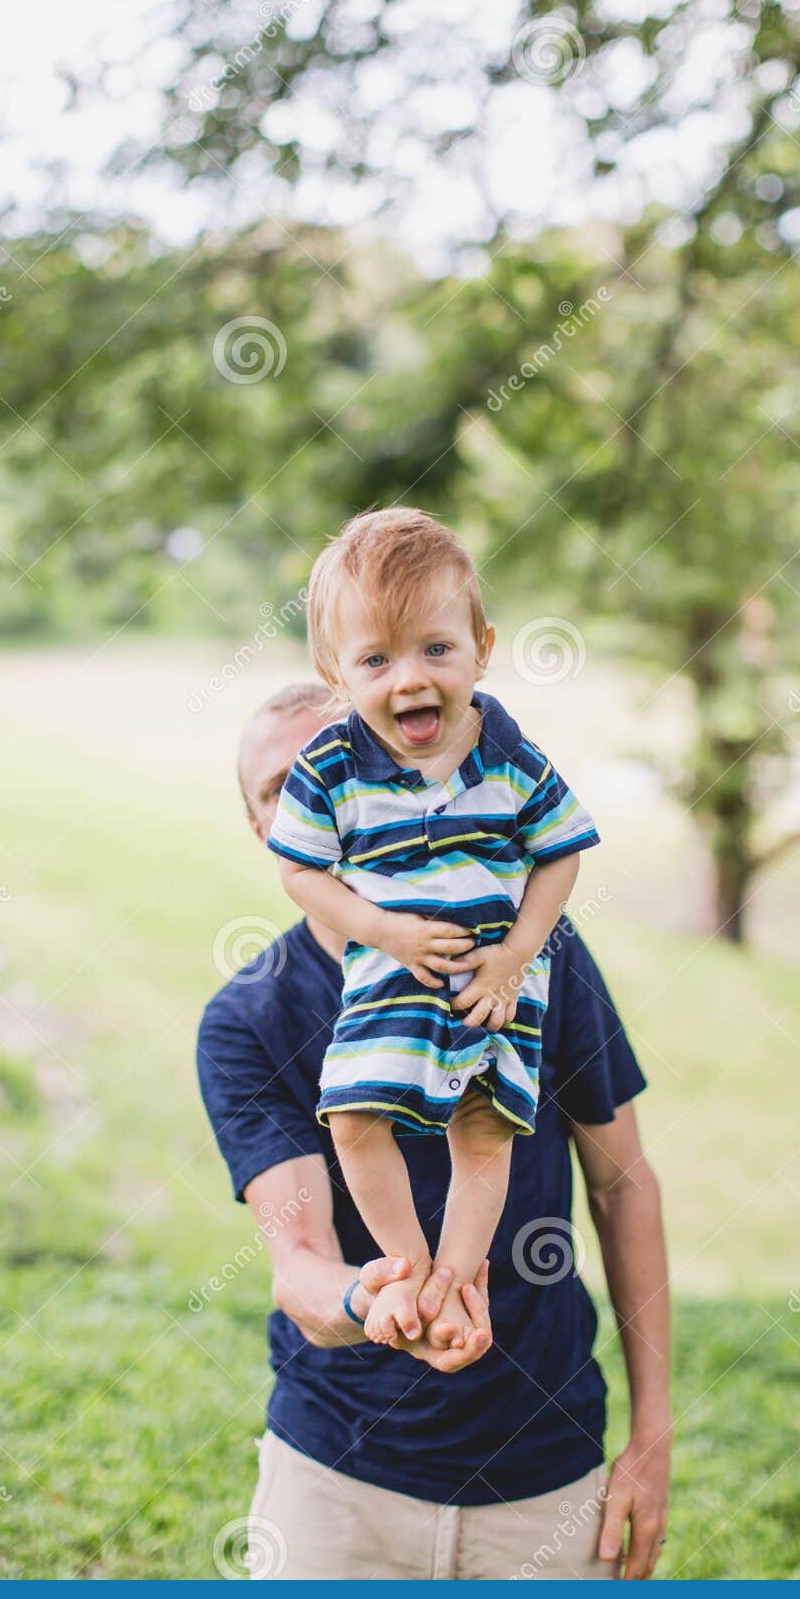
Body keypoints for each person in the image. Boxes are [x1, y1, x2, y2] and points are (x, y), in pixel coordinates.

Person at [195, 682, 673, 1581]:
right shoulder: (248, 1019)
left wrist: (652, 1435)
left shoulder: (533, 955)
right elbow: (295, 1257)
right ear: (268, 831)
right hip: (336, 1479)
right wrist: (375, 1303)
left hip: (544, 1468)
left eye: (333, 760)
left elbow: (622, 1183)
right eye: (278, 788)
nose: (316, 792)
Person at [266, 508, 600, 1354]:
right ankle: (410, 1266)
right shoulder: (330, 768)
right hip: (392, 981)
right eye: (376, 659)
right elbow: (299, 872)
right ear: (333, 672)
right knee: (350, 1117)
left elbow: (560, 856)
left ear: (481, 648)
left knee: (484, 1129)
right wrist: (383, 929)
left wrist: (517, 957)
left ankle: (456, 1277)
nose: (409, 679)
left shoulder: (514, 758)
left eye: (434, 650)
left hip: (494, 980)